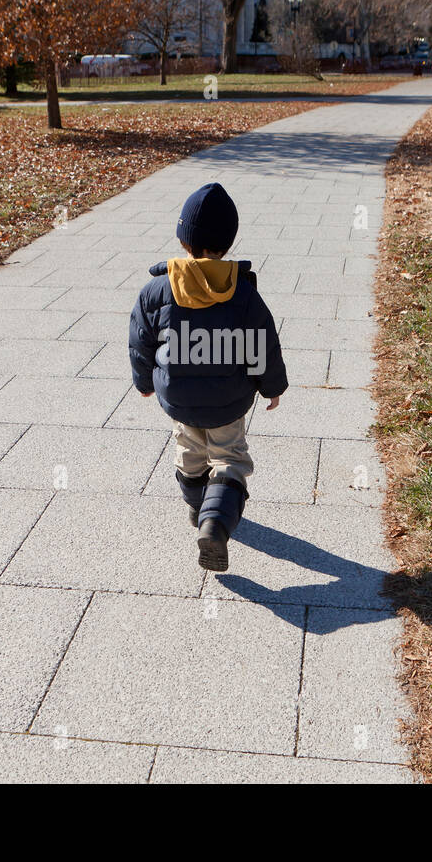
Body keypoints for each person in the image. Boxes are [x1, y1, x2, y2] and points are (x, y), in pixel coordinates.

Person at [128, 183, 288, 571]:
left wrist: (144, 381)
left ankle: (198, 508)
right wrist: (272, 386)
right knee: (229, 460)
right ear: (229, 243)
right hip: (228, 402)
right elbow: (261, 342)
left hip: (181, 400)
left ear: (183, 240)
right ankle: (215, 522)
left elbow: (140, 338)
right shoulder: (243, 293)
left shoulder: (156, 289)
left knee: (189, 455)